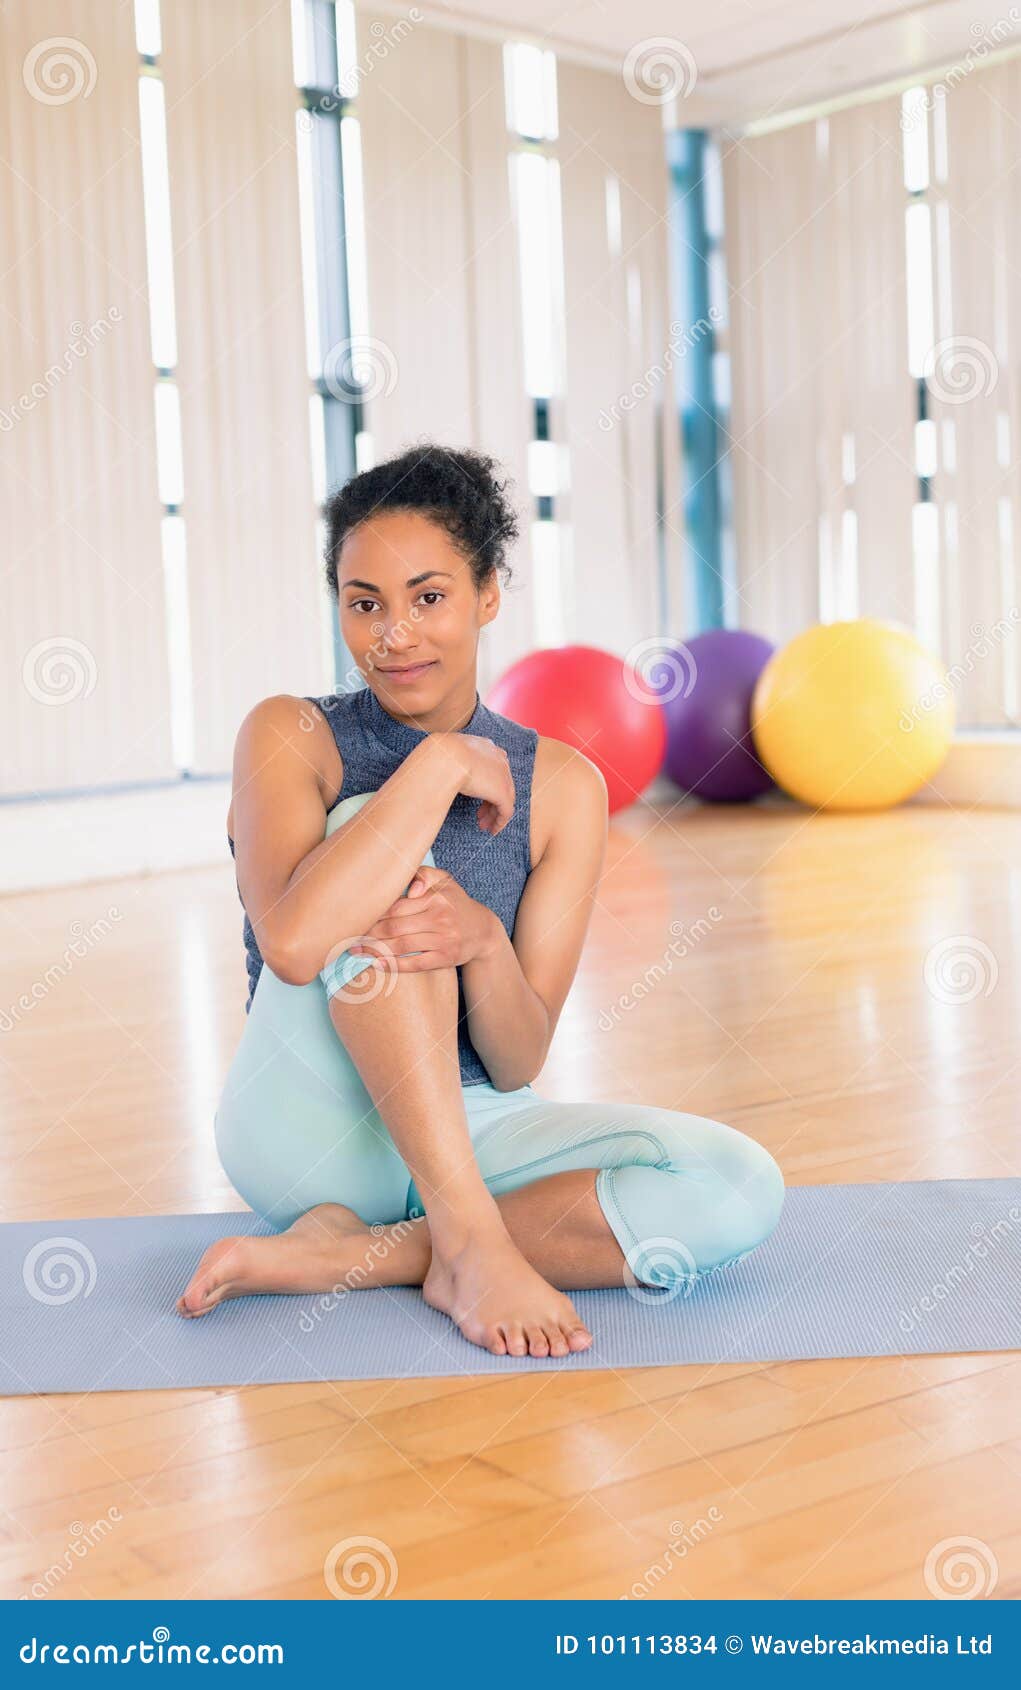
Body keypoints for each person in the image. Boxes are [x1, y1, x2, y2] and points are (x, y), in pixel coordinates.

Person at [177, 445, 784, 1359]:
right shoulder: (289, 732)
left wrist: (482, 947)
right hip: (306, 1125)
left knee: (737, 1184)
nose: (394, 635)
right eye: (364, 602)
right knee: (378, 858)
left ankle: (369, 1253)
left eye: (429, 597)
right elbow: (298, 944)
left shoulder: (564, 787)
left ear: (488, 594)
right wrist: (439, 765)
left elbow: (517, 1058)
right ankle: (469, 1241)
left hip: (475, 1125)